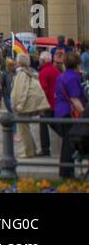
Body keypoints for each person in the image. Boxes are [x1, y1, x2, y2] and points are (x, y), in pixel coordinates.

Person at [53, 51, 86, 179]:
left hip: (60, 112)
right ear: (77, 63)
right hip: (69, 112)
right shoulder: (73, 78)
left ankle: (65, 173)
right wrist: (84, 115)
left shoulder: (61, 76)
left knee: (66, 143)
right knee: (69, 144)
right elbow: (75, 99)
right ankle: (67, 174)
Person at [11, 52, 49, 158]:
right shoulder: (29, 72)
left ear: (19, 62)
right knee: (25, 127)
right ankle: (32, 148)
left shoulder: (21, 74)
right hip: (28, 103)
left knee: (23, 129)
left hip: (24, 105)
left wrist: (19, 105)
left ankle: (28, 151)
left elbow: (22, 90)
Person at [38, 49, 60, 157]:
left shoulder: (43, 72)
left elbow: (44, 90)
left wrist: (41, 105)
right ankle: (68, 138)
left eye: (40, 59)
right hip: (56, 101)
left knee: (43, 126)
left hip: (47, 103)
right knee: (54, 124)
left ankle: (45, 149)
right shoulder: (55, 70)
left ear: (43, 60)